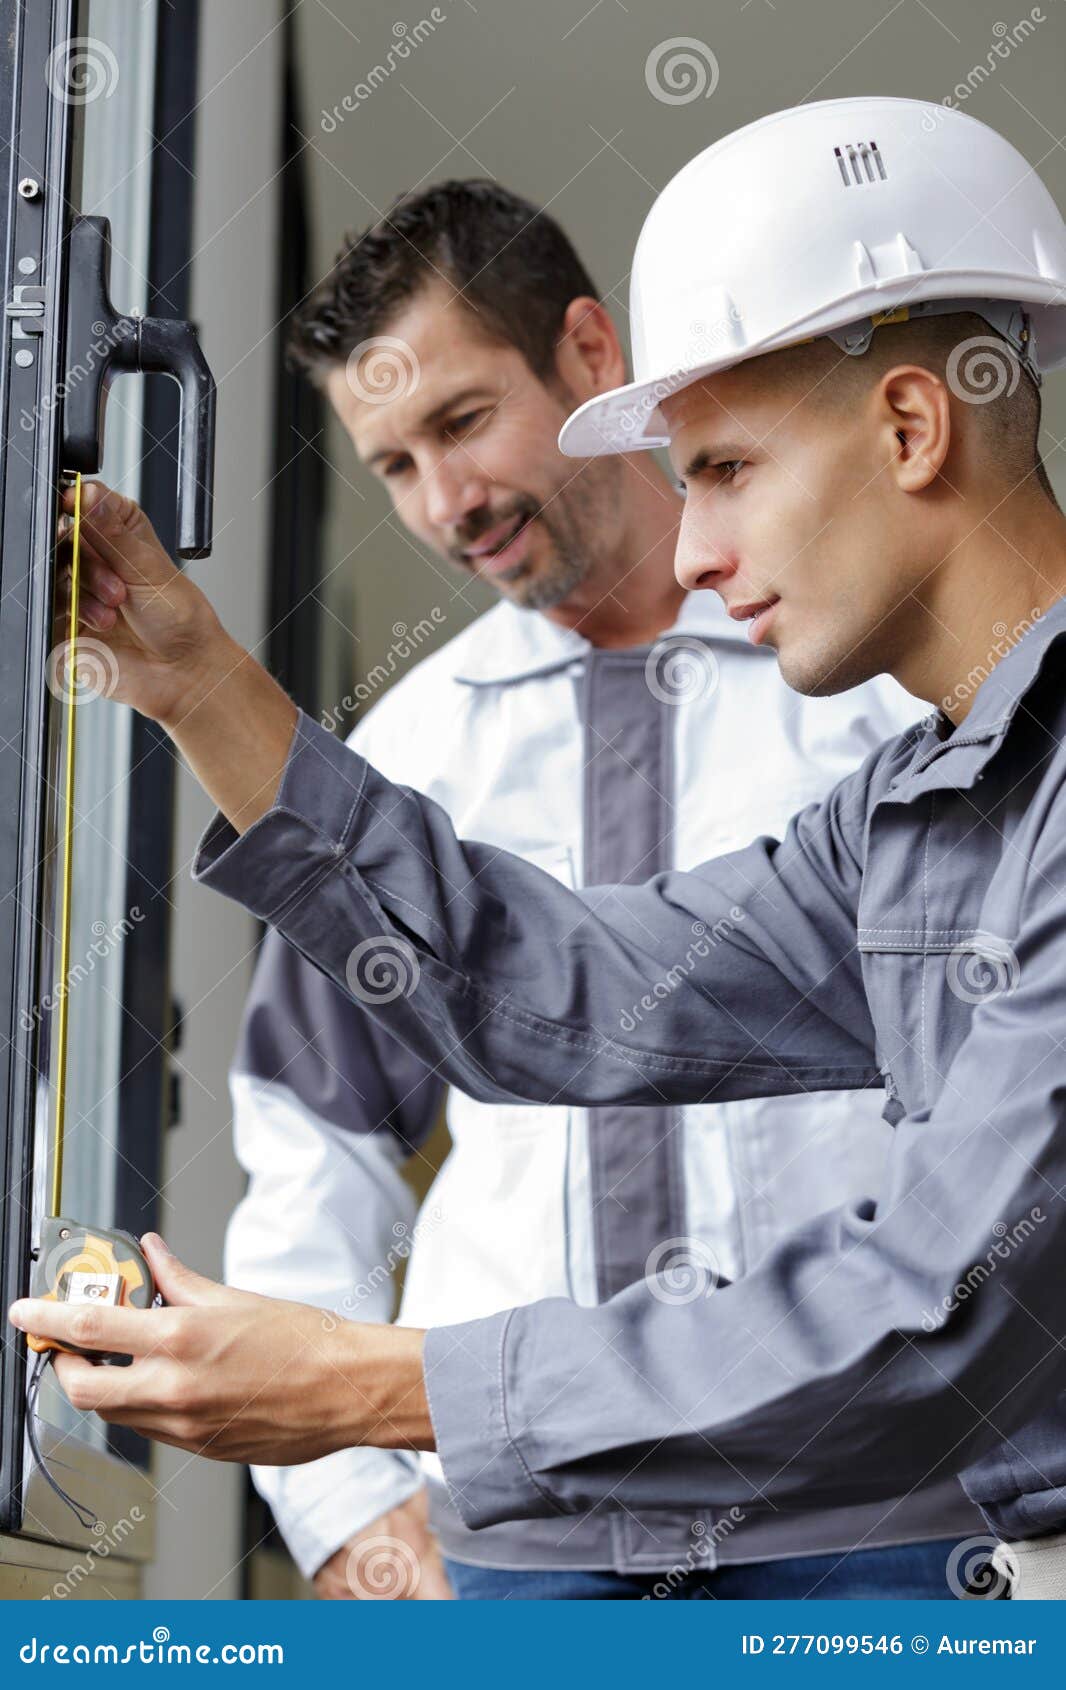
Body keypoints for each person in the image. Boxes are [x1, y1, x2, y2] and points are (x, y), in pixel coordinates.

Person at [13, 95, 1066, 1602]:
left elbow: (937, 1307)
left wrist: (375, 1385)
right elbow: (566, 990)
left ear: (910, 427)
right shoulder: (915, 813)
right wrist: (197, 682)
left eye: (724, 470)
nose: (695, 551)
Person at [222, 179, 963, 1602]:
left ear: (588, 352)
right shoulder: (407, 755)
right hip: (529, 1539)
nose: (446, 505)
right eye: (391, 465)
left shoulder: (874, 692)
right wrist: (350, 1516)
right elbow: (309, 1149)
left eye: (459, 422)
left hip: (871, 1515)